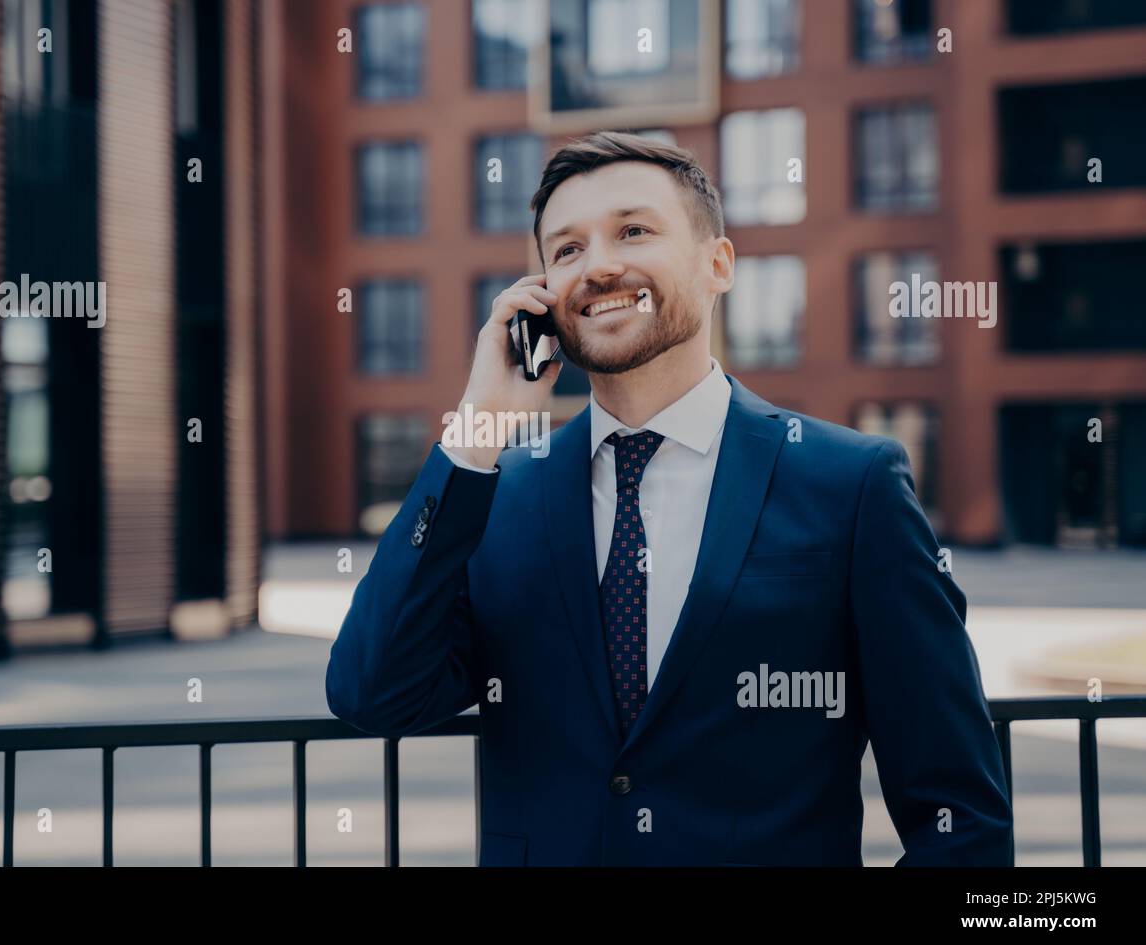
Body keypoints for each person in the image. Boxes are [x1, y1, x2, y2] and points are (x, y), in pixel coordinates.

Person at [326, 131, 1013, 866]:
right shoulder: (496, 492)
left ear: (718, 264)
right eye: (566, 250)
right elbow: (374, 693)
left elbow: (959, 817)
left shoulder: (852, 485)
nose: (600, 265)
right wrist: (477, 427)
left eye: (633, 230)